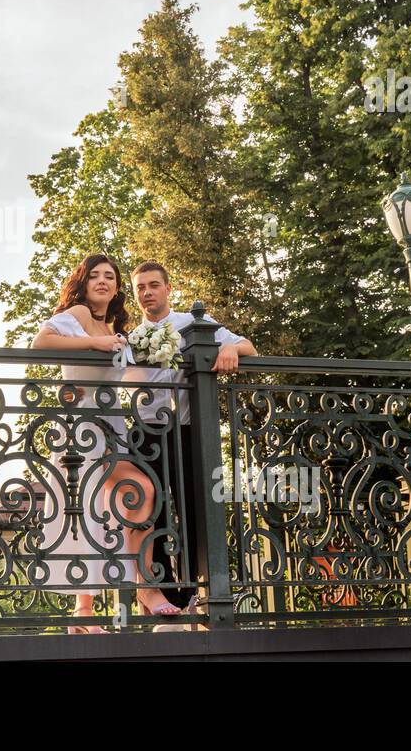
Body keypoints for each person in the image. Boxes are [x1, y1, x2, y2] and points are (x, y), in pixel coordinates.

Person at [31, 253, 181, 632]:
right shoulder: (79, 314)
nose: (102, 281)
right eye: (94, 275)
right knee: (83, 507)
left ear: (116, 288)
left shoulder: (115, 325)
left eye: (109, 277)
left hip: (111, 421)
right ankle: (84, 611)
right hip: (79, 424)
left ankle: (145, 588)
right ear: (82, 283)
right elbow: (40, 343)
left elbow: (125, 374)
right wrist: (92, 346)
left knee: (140, 491)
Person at [125, 261, 257, 621]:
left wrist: (229, 351)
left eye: (154, 285)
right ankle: (165, 597)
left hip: (187, 429)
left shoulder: (194, 322)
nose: (147, 292)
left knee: (197, 506)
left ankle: (199, 592)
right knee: (154, 512)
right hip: (146, 432)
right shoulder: (130, 338)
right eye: (140, 287)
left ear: (169, 288)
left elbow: (249, 346)